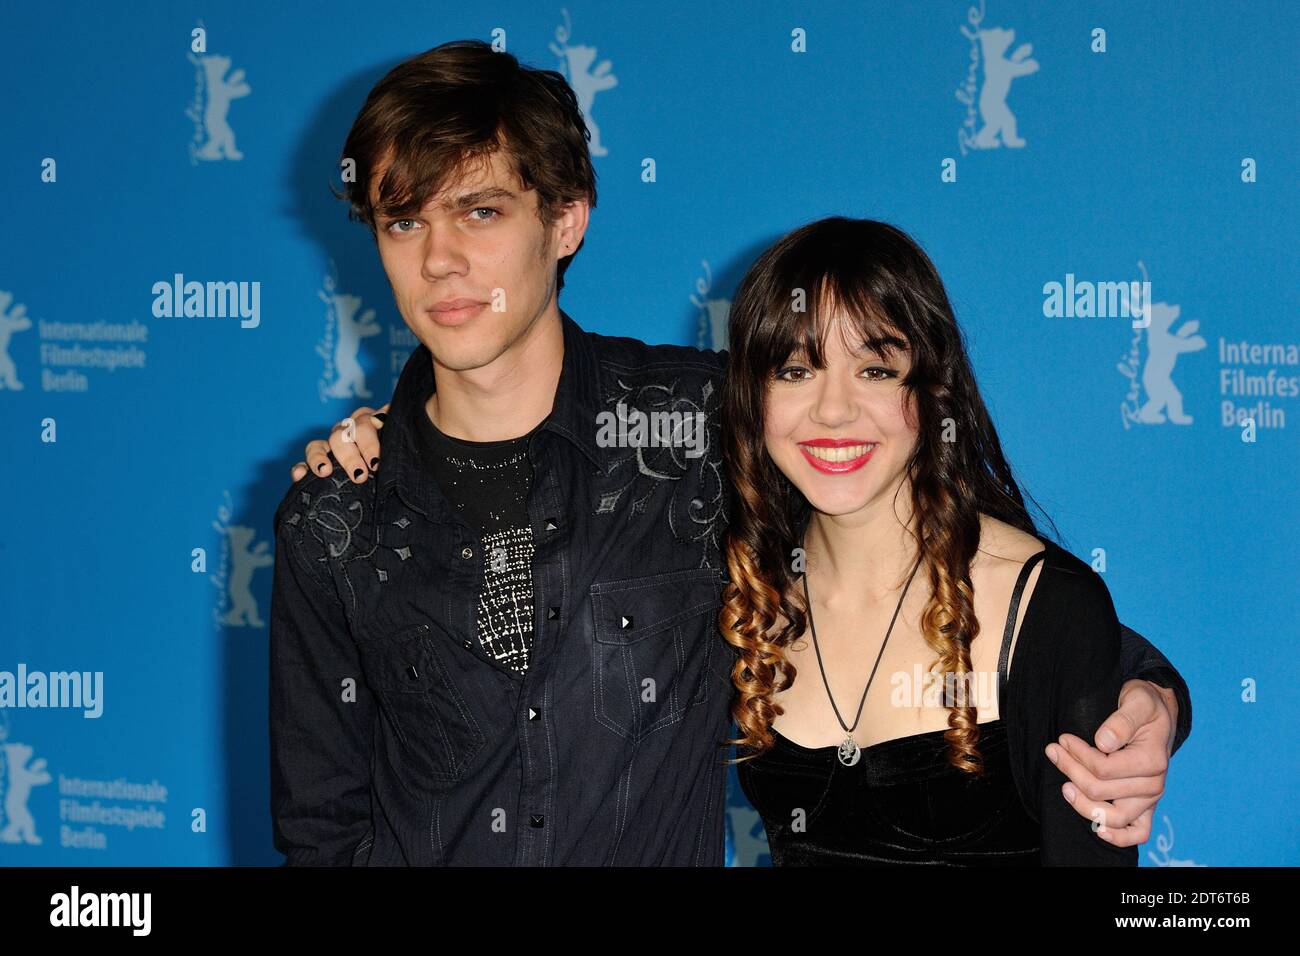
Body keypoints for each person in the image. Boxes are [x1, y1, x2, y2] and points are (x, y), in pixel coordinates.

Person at [273, 39, 1190, 866]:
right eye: (403, 221)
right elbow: (321, 832)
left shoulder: (707, 425)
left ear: (566, 220)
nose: (439, 259)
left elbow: (975, 586)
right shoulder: (338, 512)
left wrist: (1148, 698)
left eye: (480, 212)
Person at [720, 216, 1144, 864]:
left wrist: (1158, 695)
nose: (833, 410)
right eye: (796, 371)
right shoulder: (744, 600)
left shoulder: (1048, 606)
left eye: (875, 370)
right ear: (752, 395)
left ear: (931, 388)